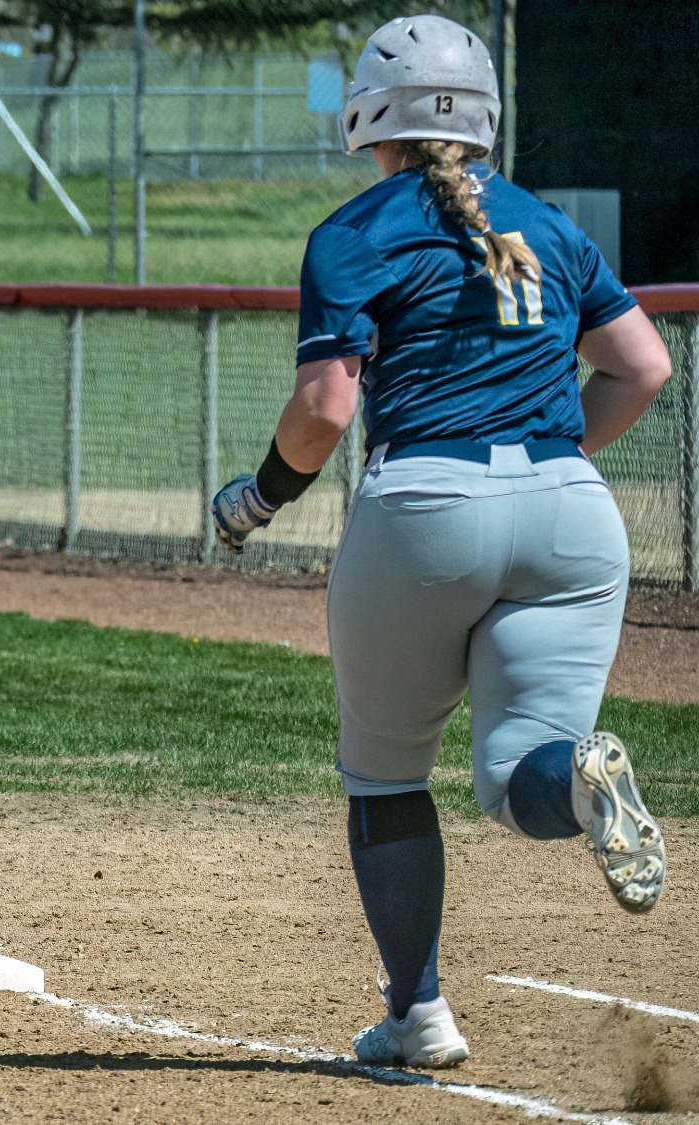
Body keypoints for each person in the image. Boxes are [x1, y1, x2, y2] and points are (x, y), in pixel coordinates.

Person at [210, 14, 672, 1069]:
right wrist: (551, 453)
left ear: (368, 116)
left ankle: (416, 1014)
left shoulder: (352, 231)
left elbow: (324, 411)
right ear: (483, 116)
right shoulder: (548, 225)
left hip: (425, 505)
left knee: (383, 776)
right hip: (568, 509)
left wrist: (259, 497)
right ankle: (578, 780)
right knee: (518, 779)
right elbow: (640, 367)